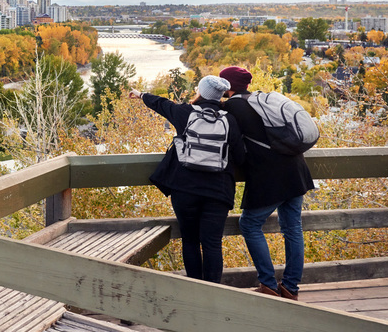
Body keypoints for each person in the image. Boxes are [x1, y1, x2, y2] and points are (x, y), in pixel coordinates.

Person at [129, 75, 244, 283]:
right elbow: (240, 156)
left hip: (185, 189)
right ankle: (213, 294)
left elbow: (162, 104)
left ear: (200, 92)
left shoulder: (185, 113)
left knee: (190, 241)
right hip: (218, 192)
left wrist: (141, 94)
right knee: (212, 244)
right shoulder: (229, 120)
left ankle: (195, 290)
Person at [219, 66, 315, 300]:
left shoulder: (233, 106)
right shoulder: (259, 101)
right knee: (292, 229)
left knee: (250, 225)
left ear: (228, 86)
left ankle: (268, 284)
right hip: (296, 170)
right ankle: (290, 288)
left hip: (270, 176)